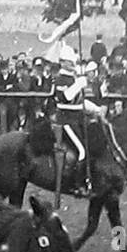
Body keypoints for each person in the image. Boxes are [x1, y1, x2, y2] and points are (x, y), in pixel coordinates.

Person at [50, 47, 106, 194]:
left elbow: (80, 102)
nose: (72, 63)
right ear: (62, 63)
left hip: (78, 119)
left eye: (72, 61)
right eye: (69, 62)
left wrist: (96, 109)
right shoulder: (60, 79)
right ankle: (76, 183)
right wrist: (79, 84)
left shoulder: (74, 79)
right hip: (65, 120)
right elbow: (66, 97)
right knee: (82, 151)